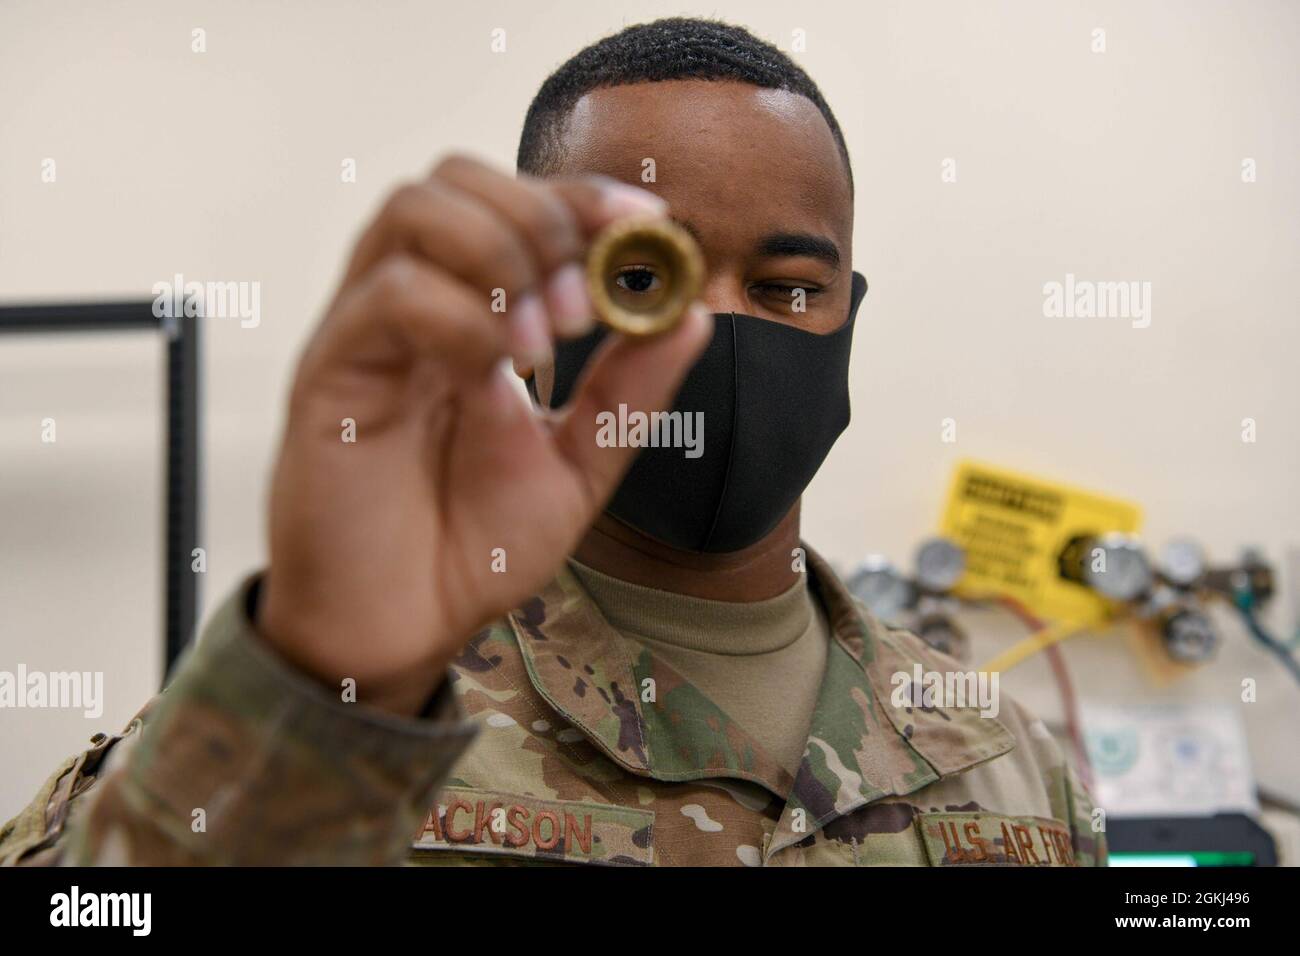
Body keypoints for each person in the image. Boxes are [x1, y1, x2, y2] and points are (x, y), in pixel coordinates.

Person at [0, 17, 1104, 867]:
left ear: (845, 319)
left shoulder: (1009, 763)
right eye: (644, 279)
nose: (717, 332)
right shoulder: (361, 710)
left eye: (787, 286)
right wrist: (307, 670)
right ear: (531, 326)